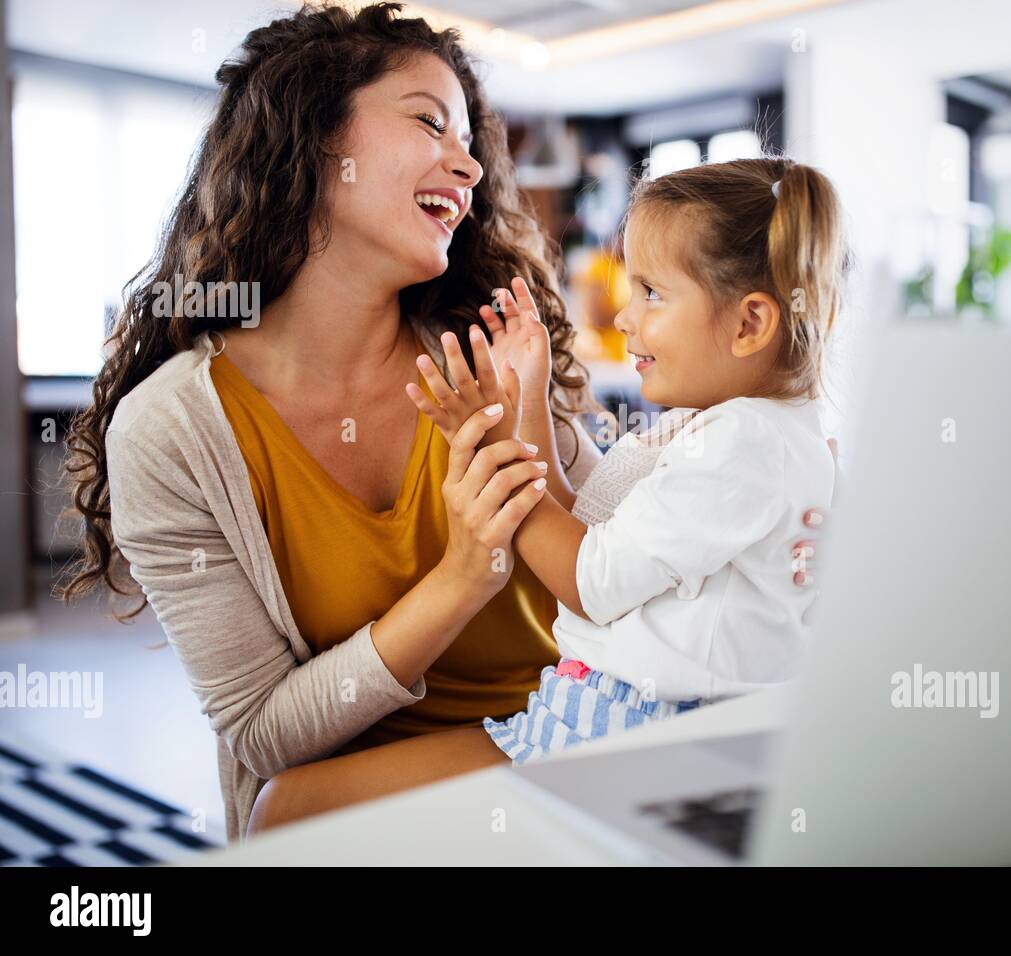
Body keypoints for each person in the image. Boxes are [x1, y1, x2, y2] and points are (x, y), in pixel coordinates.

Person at [56, 3, 825, 843]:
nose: (469, 168)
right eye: (429, 123)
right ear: (312, 143)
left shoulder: (493, 353)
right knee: (285, 815)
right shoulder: (170, 434)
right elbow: (265, 733)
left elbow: (614, 549)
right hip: (399, 787)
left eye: (468, 141)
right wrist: (461, 577)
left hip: (571, 732)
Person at [248, 157, 845, 831]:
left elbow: (582, 579)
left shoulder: (740, 445)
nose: (624, 314)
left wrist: (489, 444)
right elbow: (586, 523)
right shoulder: (756, 429)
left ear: (749, 325)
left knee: (284, 809)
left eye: (652, 293)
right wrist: (527, 398)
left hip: (627, 743)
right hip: (610, 723)